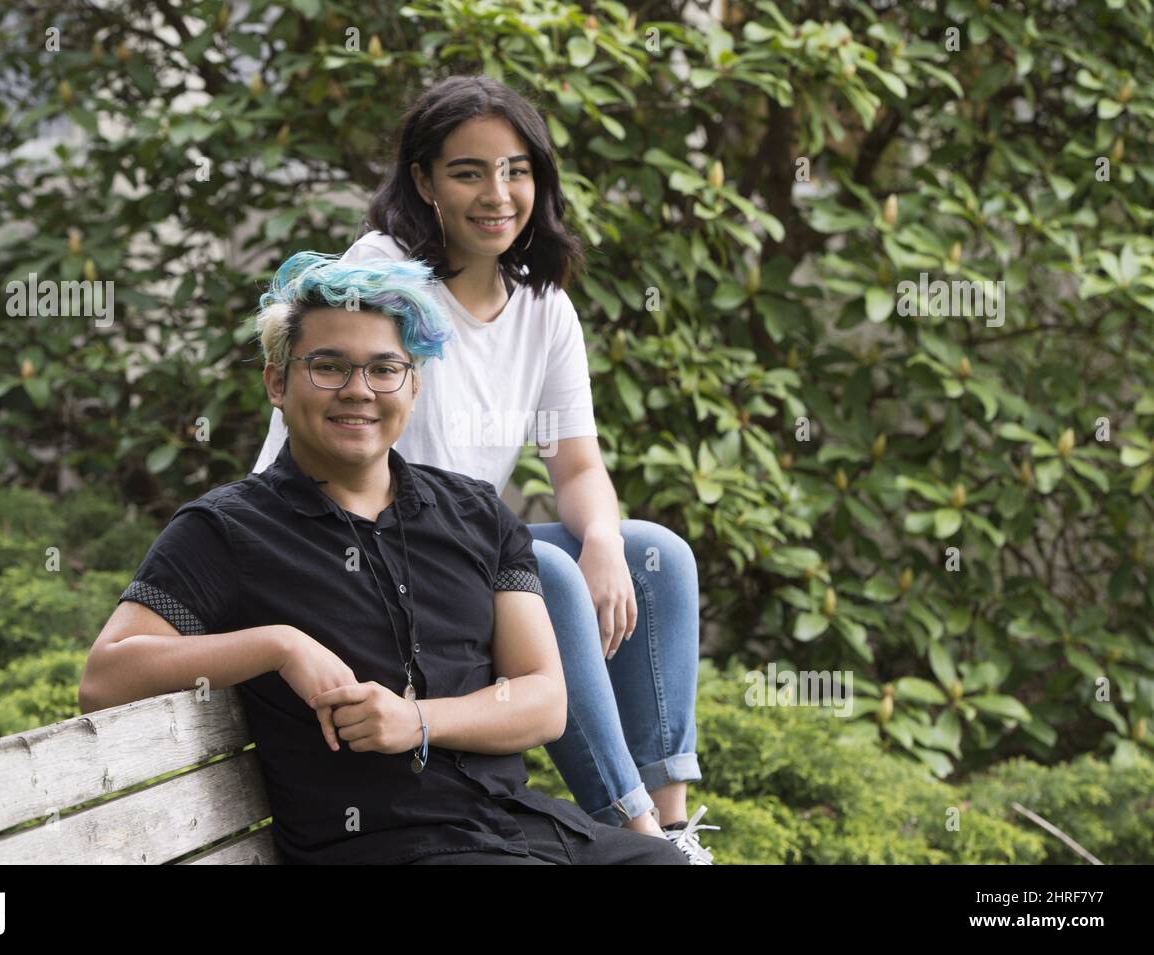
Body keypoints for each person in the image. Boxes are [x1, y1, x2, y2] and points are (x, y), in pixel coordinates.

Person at [80, 252, 687, 865]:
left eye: (384, 369)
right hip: (386, 848)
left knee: (662, 861)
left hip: (520, 829)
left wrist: (417, 720)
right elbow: (105, 678)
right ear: (276, 383)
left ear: (413, 386)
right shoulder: (226, 529)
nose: (358, 390)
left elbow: (543, 702)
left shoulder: (476, 514)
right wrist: (279, 645)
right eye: (328, 367)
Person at [252, 75, 716, 861]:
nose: (497, 194)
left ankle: (675, 826)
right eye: (468, 172)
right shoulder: (384, 273)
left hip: (460, 544)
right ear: (424, 180)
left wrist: (604, 540)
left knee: (654, 556)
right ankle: (634, 828)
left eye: (516, 170)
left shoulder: (542, 306)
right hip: (351, 539)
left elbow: (577, 467)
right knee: (546, 571)